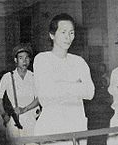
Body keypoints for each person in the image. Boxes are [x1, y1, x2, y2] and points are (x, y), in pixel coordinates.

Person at [33, 13, 95, 145]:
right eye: (63, 32)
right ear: (52, 35)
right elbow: (45, 96)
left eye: (71, 32)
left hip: (77, 125)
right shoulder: (42, 59)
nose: (68, 37)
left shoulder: (79, 61)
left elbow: (90, 92)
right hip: (52, 126)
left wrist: (59, 84)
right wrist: (76, 85)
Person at [0, 43, 38, 145]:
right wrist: (4, 114)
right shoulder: (8, 77)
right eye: (21, 58)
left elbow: (39, 98)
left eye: (27, 58)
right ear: (15, 60)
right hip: (14, 121)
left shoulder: (33, 77)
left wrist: (25, 109)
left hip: (31, 120)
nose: (24, 61)